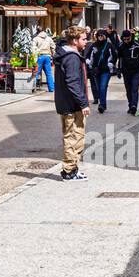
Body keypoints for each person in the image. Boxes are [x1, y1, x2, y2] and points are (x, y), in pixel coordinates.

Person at [55, 26, 91, 181]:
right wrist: (83, 103)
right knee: (74, 137)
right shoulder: (72, 58)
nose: (86, 41)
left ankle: (72, 169)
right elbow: (73, 83)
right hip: (72, 105)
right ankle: (70, 171)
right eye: (83, 39)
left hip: (66, 103)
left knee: (72, 136)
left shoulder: (65, 54)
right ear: (75, 41)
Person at [117, 28, 139, 116]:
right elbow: (120, 58)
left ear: (131, 37)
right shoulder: (121, 46)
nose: (126, 41)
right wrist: (119, 69)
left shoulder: (137, 44)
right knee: (128, 90)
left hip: (136, 70)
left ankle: (134, 106)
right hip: (126, 71)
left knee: (134, 89)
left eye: (128, 39)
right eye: (124, 39)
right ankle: (130, 105)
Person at [85, 27, 117, 114]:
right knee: (99, 88)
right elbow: (88, 56)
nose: (100, 37)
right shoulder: (93, 45)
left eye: (102, 36)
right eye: (98, 35)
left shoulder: (109, 46)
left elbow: (114, 57)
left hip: (106, 71)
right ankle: (103, 103)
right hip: (96, 70)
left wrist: (109, 65)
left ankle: (102, 105)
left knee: (103, 87)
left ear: (105, 36)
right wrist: (89, 65)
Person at [31, 26, 57, 93]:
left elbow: (33, 48)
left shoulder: (36, 38)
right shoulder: (48, 38)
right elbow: (53, 47)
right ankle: (51, 89)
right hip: (47, 57)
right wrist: (53, 55)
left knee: (36, 72)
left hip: (40, 57)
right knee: (49, 73)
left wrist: (35, 54)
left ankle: (33, 87)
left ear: (37, 31)